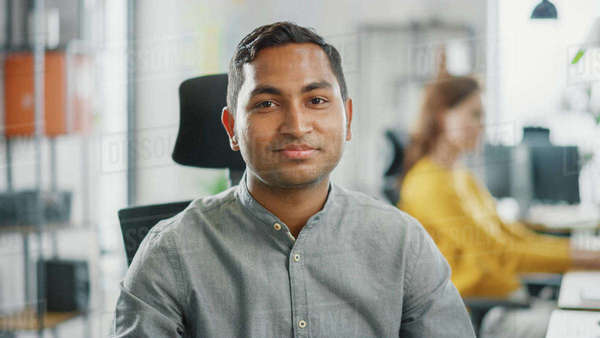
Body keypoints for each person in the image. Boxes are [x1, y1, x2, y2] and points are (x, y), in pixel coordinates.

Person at [113, 22, 475, 337]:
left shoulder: (402, 244)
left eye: (316, 100)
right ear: (232, 129)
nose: (297, 126)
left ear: (347, 118)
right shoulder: (171, 253)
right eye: (267, 104)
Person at [398, 73, 600, 337]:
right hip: (477, 316)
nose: (482, 125)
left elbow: (511, 234)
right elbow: (499, 255)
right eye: (474, 114)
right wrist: (591, 259)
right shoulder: (429, 183)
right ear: (441, 116)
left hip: (505, 301)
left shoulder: (458, 175)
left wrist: (585, 253)